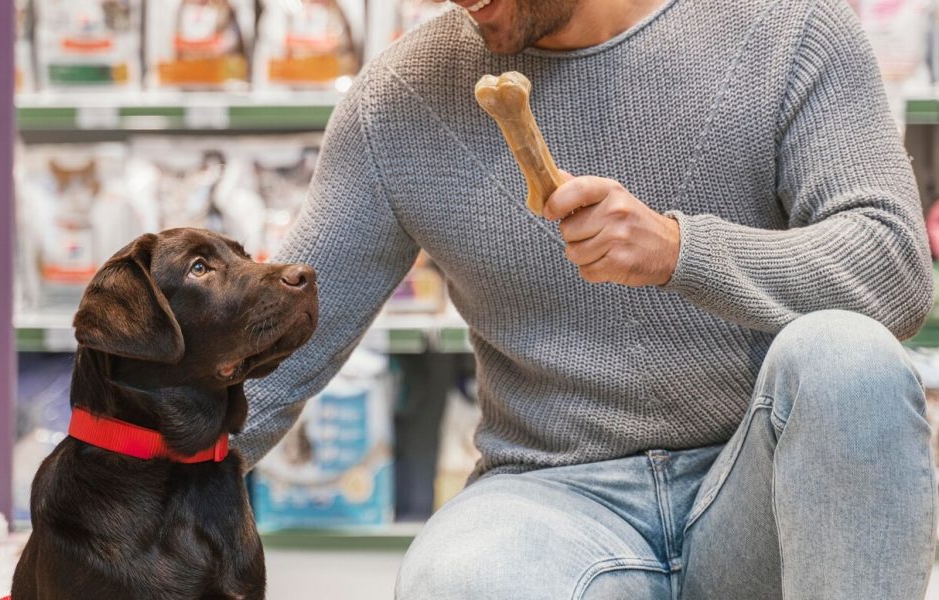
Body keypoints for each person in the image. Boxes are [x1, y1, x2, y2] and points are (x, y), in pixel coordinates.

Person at [234, 0, 939, 597]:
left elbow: (896, 274)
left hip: (761, 480)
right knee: (457, 582)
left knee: (849, 359)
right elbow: (266, 357)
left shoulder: (790, 27)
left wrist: (680, 252)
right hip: (549, 497)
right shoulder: (399, 101)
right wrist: (128, 474)